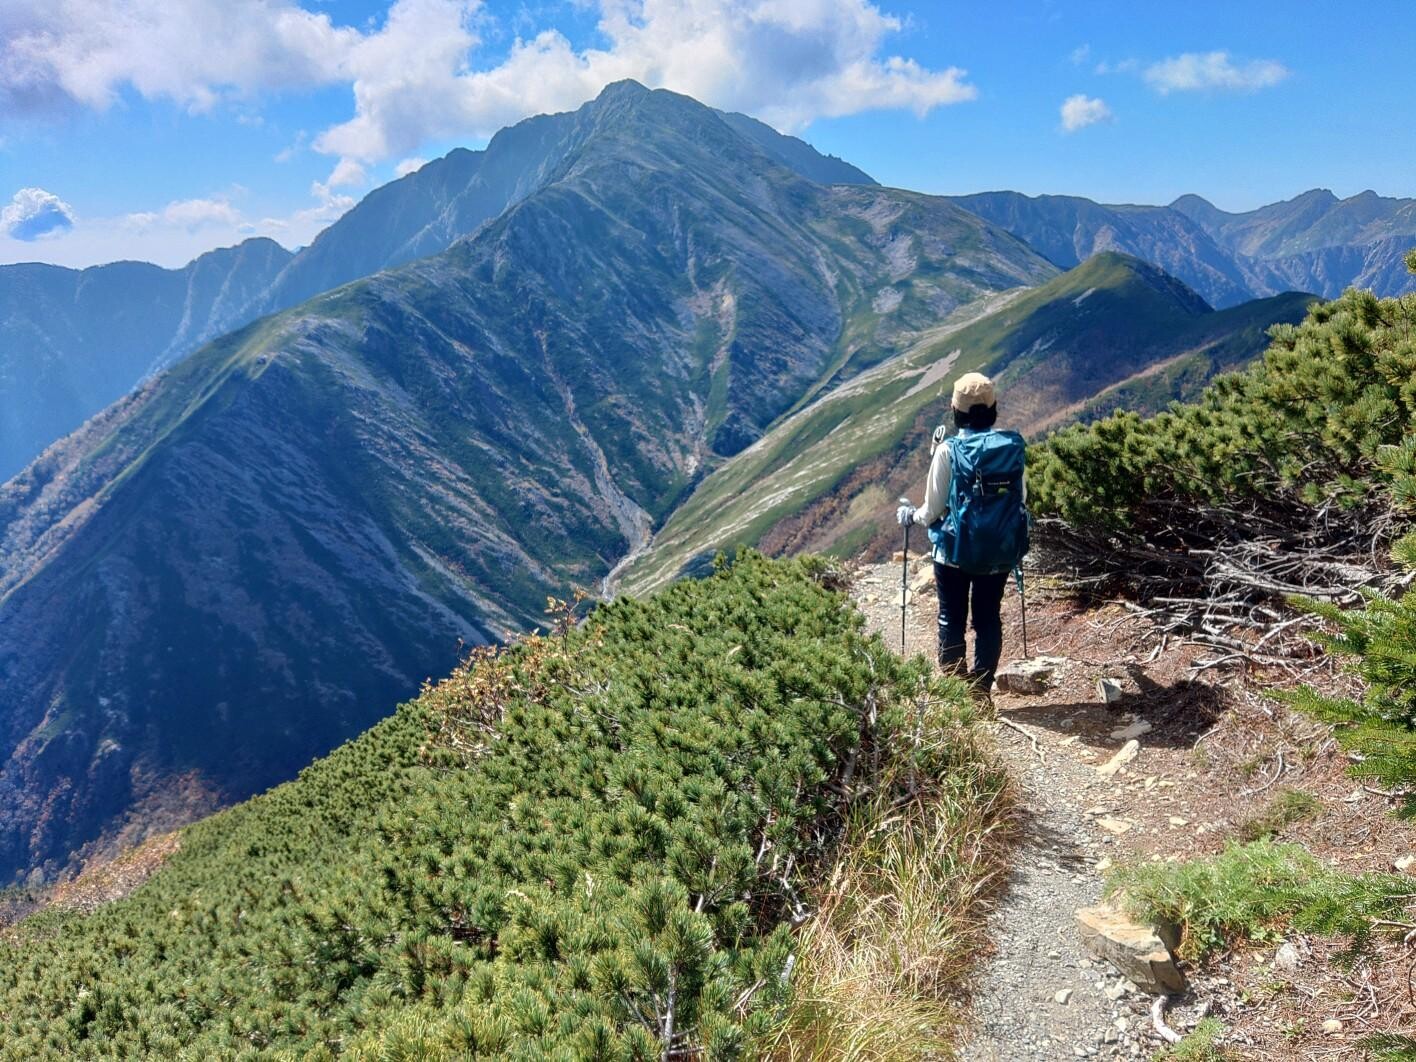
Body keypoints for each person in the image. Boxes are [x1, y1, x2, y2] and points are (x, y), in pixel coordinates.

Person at [896, 372, 1028, 695]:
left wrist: (910, 516)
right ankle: (981, 689)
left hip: (953, 552)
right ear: (993, 408)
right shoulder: (1010, 447)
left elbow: (931, 510)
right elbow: (1021, 499)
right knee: (988, 619)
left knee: (951, 618)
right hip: (998, 551)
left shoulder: (947, 451)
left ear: (957, 412)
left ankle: (956, 688)